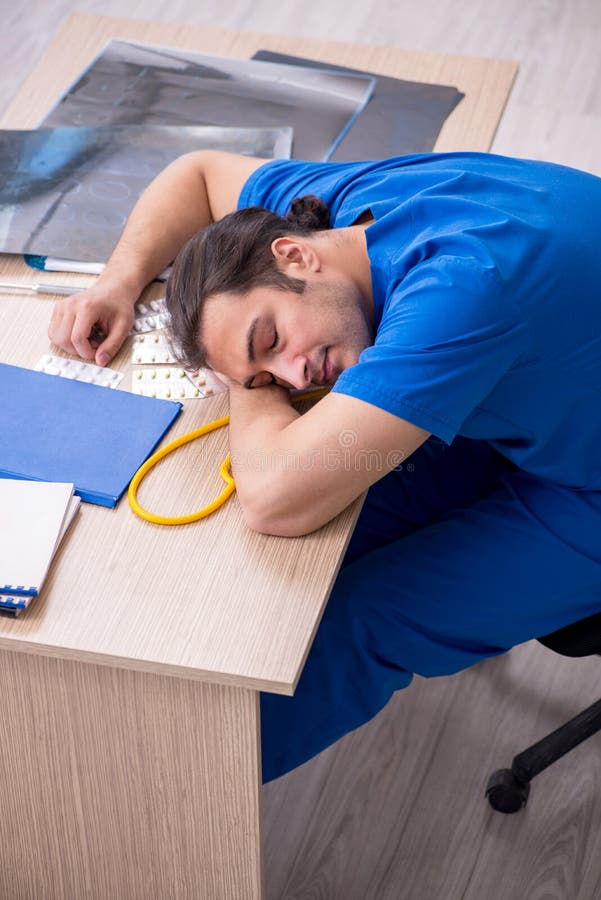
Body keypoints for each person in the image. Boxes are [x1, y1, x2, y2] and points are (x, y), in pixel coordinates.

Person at [49, 149, 601, 782]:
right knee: (306, 552)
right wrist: (117, 283)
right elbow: (197, 175)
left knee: (361, 617)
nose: (295, 374)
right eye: (268, 370)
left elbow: (274, 501)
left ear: (294, 255)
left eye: (271, 340)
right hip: (554, 400)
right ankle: (116, 723)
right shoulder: (343, 219)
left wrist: (246, 385)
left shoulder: (462, 287)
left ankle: (170, 803)